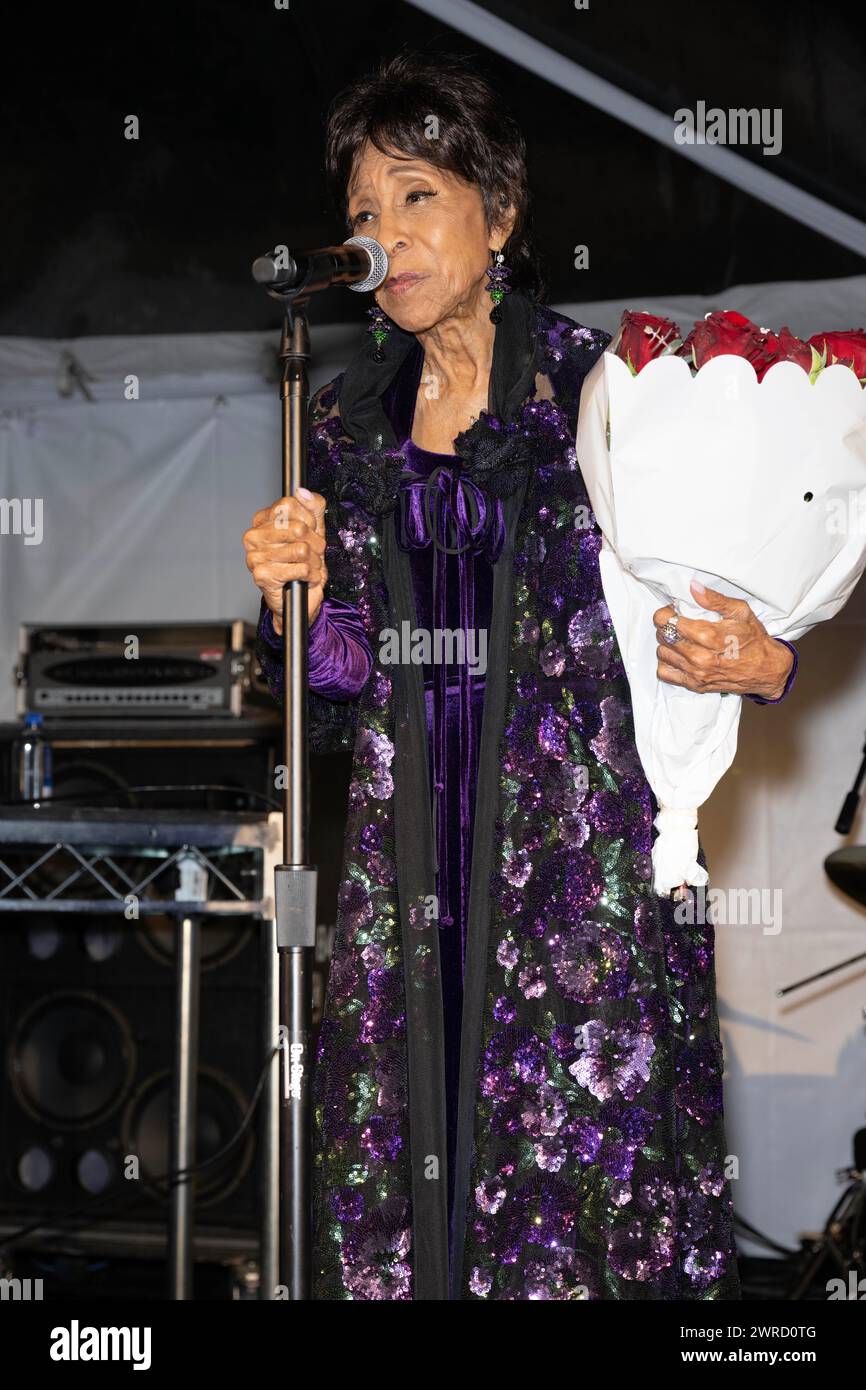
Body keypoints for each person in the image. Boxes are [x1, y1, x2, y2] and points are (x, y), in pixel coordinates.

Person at [243, 52, 798, 1302]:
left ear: (498, 215)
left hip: (570, 876)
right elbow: (340, 681)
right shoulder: (338, 422)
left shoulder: (607, 394)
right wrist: (299, 607)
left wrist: (767, 661)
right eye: (361, 214)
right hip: (405, 881)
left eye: (414, 196)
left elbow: (752, 583)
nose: (381, 233)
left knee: (567, 1220)